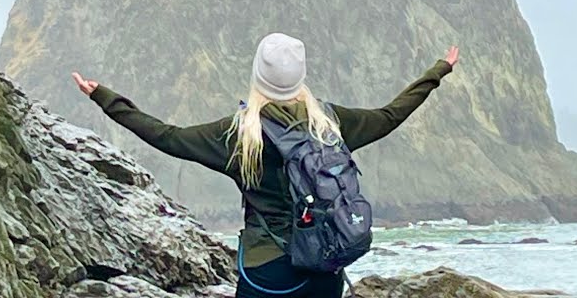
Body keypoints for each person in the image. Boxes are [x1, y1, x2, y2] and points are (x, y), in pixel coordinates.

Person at [71, 32, 459, 298]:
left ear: (258, 75)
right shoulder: (329, 122)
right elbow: (392, 114)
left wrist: (105, 97)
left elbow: (167, 137)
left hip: (267, 271)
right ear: (300, 77)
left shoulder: (241, 135)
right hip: (324, 268)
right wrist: (438, 70)